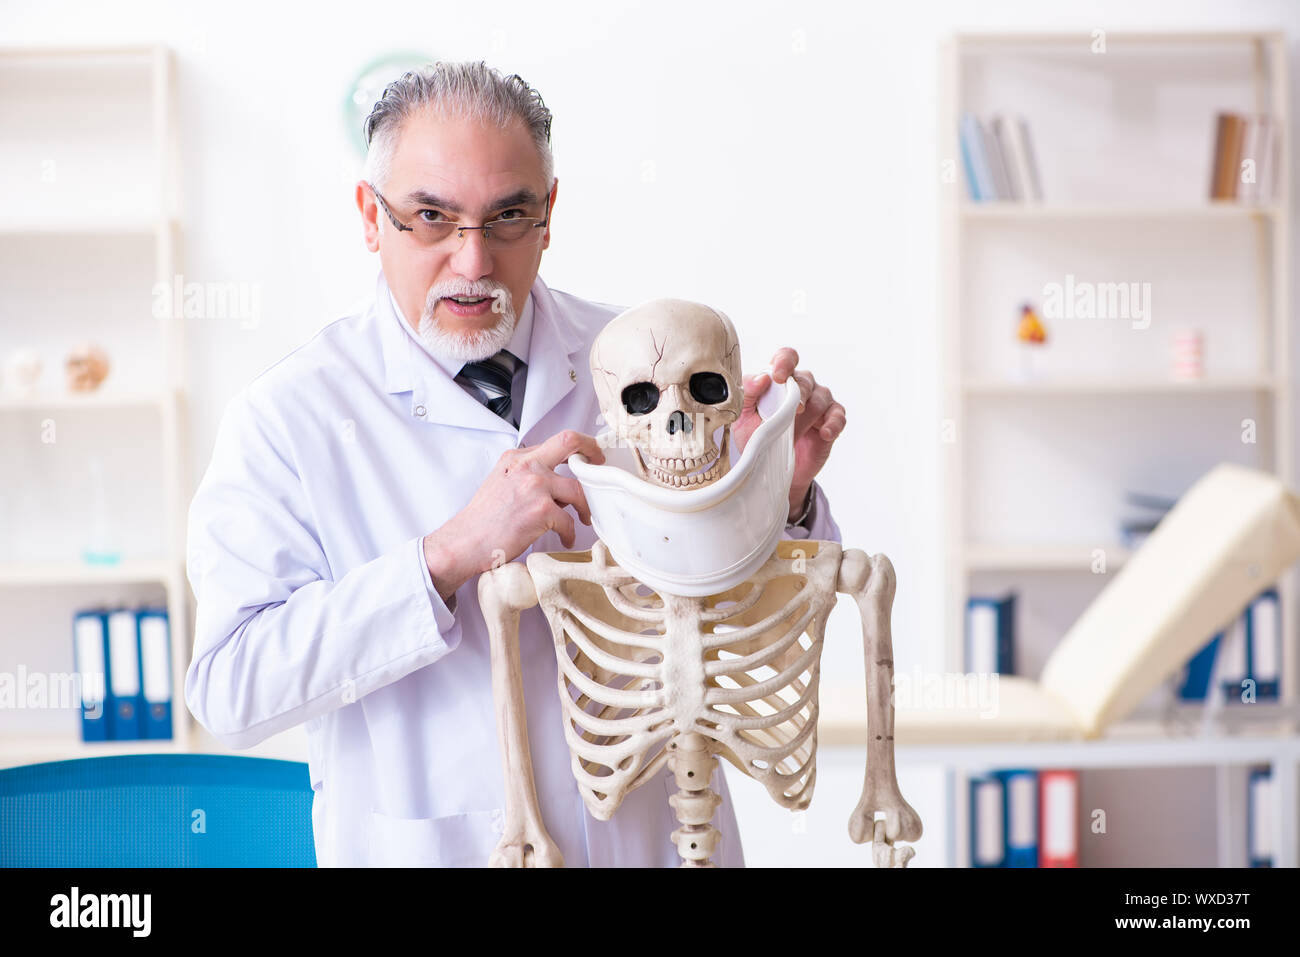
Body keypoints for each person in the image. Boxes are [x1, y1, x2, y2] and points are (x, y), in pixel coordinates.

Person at [185, 61, 847, 867]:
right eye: (432, 217)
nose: (473, 262)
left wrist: (777, 490)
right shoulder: (289, 418)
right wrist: (445, 557)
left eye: (507, 217)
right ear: (370, 216)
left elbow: (751, 639)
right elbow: (231, 689)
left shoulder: (648, 364)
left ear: (548, 213)